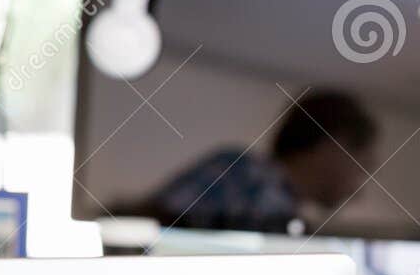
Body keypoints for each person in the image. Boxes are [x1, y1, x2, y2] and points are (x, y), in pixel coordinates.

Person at [143, 89, 378, 234]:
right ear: (334, 147)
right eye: (362, 167)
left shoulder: (288, 216)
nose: (357, 192)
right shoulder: (242, 173)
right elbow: (146, 227)